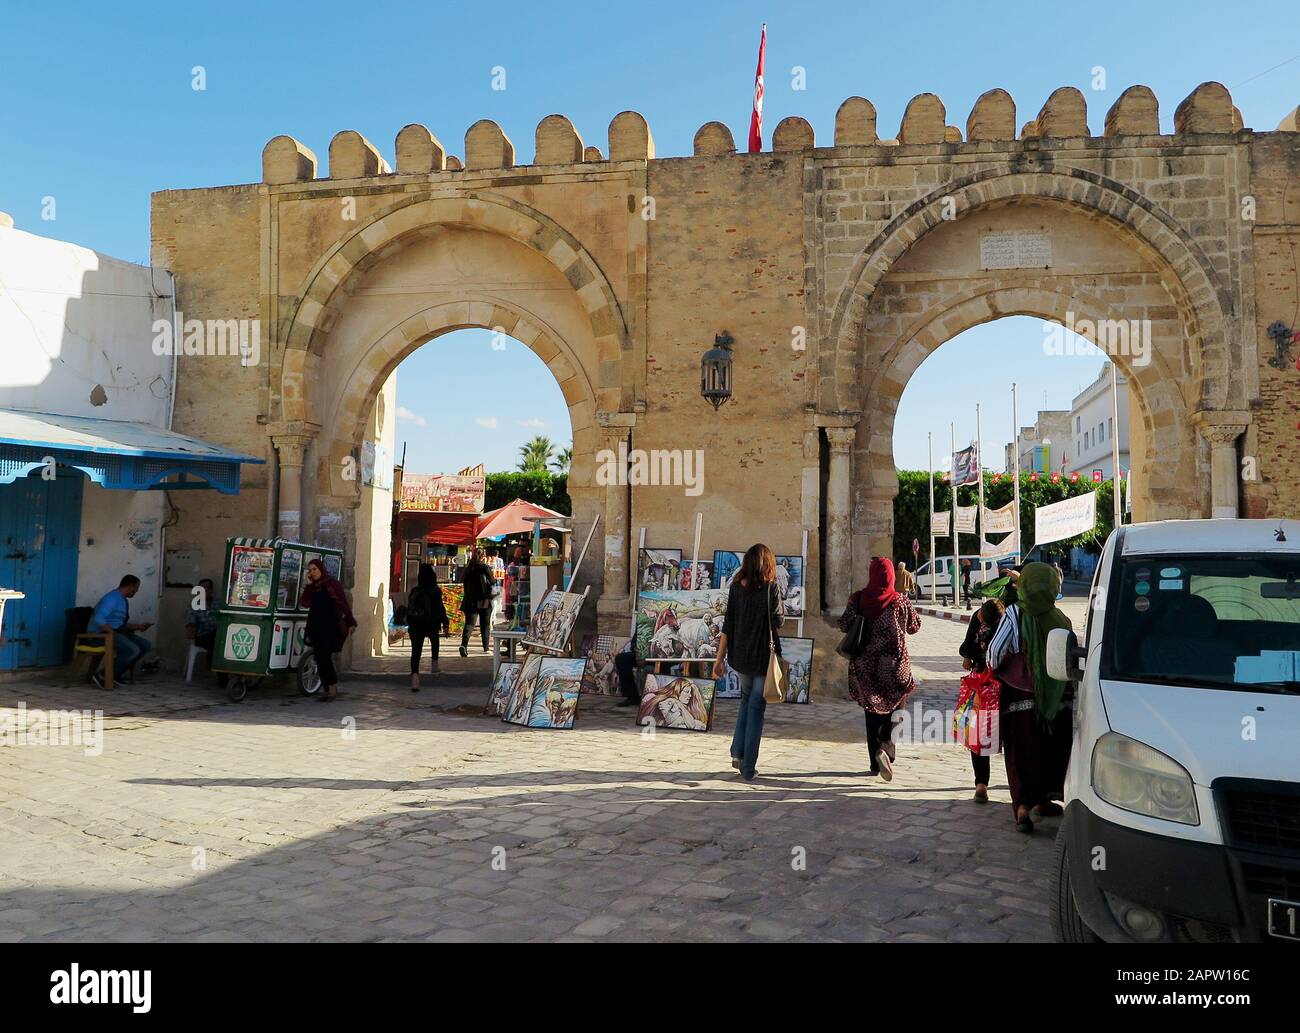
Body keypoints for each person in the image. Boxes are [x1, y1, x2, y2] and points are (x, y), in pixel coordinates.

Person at [985, 561, 1073, 834]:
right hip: (1057, 701)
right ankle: (1045, 800)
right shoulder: (1062, 619)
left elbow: (994, 654)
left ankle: (1023, 807)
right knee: (1052, 748)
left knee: (1021, 750)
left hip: (1019, 697)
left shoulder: (1014, 613)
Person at [837, 557, 921, 781]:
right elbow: (915, 626)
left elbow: (844, 624)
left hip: (865, 665)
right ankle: (886, 747)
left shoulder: (859, 598)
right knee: (899, 706)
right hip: (895, 666)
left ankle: (874, 764)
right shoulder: (900, 601)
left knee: (871, 710)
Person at [711, 544, 784, 782]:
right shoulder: (771, 589)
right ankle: (748, 766)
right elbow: (779, 621)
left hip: (740, 657)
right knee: (756, 709)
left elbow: (727, 626)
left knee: (747, 701)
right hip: (763, 658)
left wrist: (719, 659)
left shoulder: (735, 589)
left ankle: (737, 752)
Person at [958, 598, 1005, 802]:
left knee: (978, 734)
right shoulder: (1005, 625)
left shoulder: (978, 622)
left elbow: (966, 648)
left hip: (980, 685)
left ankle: (981, 783)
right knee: (1006, 733)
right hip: (1005, 684)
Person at [300, 558, 357, 702]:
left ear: (321, 569)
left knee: (325, 657)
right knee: (319, 658)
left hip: (330, 626)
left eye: (315, 569)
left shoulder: (332, 585)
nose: (313, 572)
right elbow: (305, 603)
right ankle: (327, 689)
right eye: (310, 570)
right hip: (316, 626)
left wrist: (351, 622)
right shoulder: (313, 587)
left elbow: (343, 604)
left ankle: (332, 687)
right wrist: (308, 585)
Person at [89, 574, 152, 687]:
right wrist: (114, 634)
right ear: (131, 586)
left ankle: (116, 674)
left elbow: (119, 624)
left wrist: (139, 627)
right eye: (136, 588)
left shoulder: (123, 601)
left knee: (145, 645)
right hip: (100, 635)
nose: (137, 591)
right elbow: (99, 619)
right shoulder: (112, 598)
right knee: (133, 650)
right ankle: (102, 676)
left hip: (115, 632)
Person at [406, 563, 448, 692]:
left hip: (416, 624)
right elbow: (440, 607)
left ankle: (415, 679)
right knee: (435, 641)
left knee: (416, 651)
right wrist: (445, 621)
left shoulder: (415, 591)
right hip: (431, 622)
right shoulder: (436, 590)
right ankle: (434, 665)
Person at [184, 577, 226, 687]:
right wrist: (191, 635)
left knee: (221, 640)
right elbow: (190, 625)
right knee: (215, 642)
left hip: (219, 635)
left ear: (211, 590)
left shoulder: (219, 603)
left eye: (207, 588)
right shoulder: (194, 605)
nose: (204, 591)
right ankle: (222, 676)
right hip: (202, 636)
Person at [458, 547, 495, 656]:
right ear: (483, 556)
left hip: (470, 600)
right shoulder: (485, 567)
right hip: (484, 600)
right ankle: (486, 647)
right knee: (485, 624)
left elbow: (463, 581)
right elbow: (492, 581)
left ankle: (463, 645)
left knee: (469, 624)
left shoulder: (468, 569)